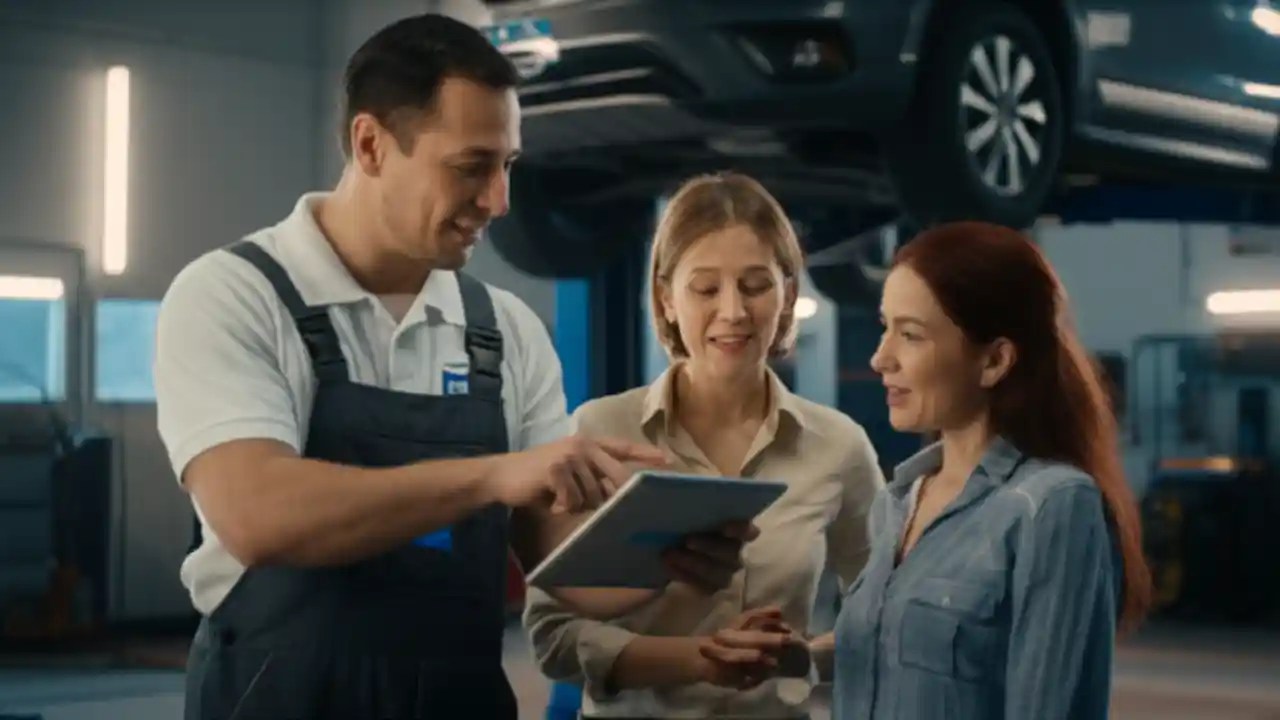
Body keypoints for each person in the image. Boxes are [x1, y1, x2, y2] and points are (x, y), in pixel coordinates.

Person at [154, 14, 755, 720]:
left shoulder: (503, 330)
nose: (499, 201)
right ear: (371, 145)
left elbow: (559, 561)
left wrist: (663, 556)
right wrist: (492, 474)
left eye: (508, 166)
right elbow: (258, 515)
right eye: (472, 166)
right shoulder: (234, 295)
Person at [523, 172, 886, 719]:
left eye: (756, 285)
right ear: (666, 298)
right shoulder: (601, 430)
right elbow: (551, 634)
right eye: (706, 288)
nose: (734, 311)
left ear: (788, 293)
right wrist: (696, 661)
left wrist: (801, 659)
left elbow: (886, 618)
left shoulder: (838, 446)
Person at [818, 221, 1152, 719]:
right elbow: (903, 648)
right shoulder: (899, 501)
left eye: (910, 335)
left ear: (994, 360)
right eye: (885, 328)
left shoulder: (1051, 508)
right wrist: (798, 657)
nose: (880, 358)